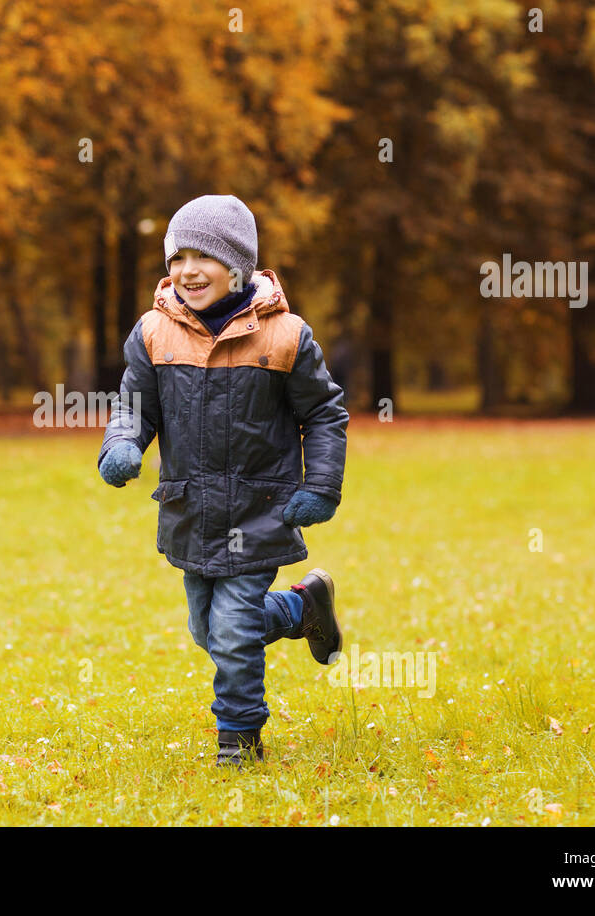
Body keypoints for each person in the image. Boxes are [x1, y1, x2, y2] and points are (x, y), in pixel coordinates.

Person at [98, 194, 349, 766]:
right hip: (192, 509)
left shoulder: (284, 336)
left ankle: (238, 744)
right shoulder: (155, 333)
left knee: (233, 634)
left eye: (203, 256)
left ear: (237, 264)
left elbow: (324, 413)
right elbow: (135, 405)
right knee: (207, 631)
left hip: (262, 509)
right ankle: (300, 609)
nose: (187, 270)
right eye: (177, 257)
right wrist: (122, 443)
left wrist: (321, 486)